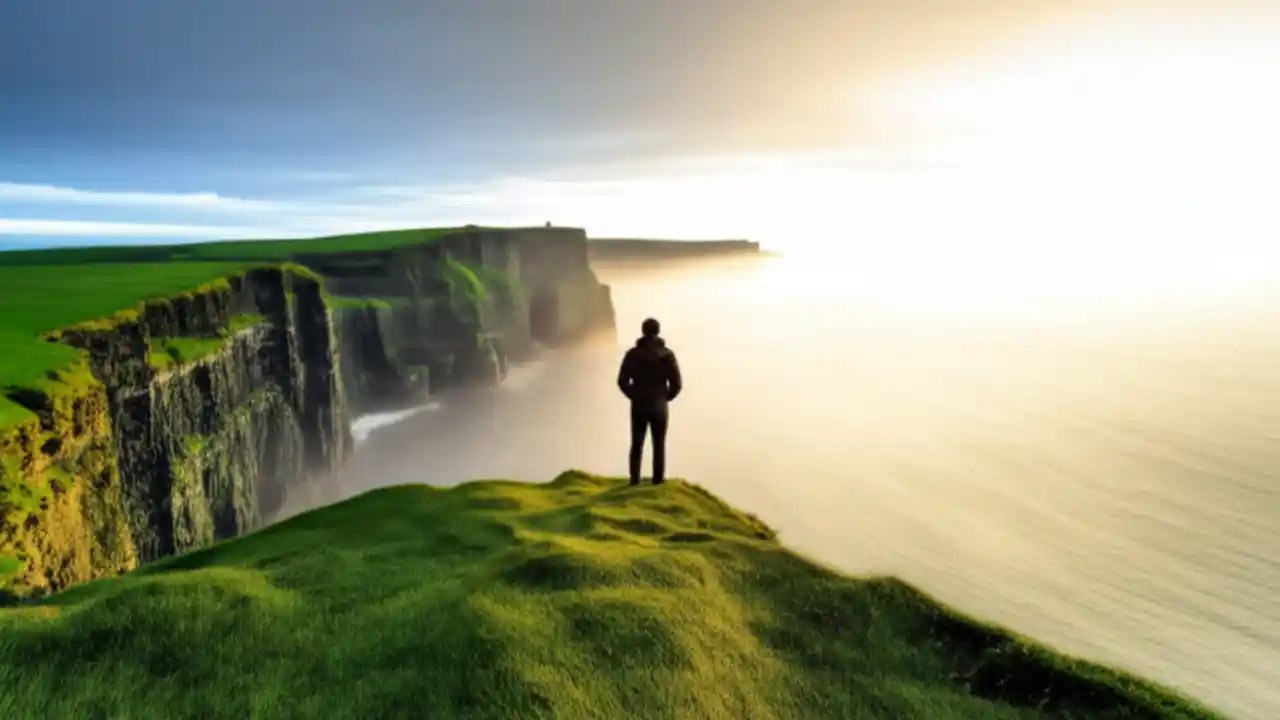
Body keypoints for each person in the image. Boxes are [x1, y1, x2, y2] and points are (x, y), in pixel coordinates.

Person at [617, 318, 682, 485]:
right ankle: (658, 479)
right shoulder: (667, 355)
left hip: (639, 404)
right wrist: (665, 397)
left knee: (637, 443)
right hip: (659, 405)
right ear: (658, 331)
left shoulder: (633, 354)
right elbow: (676, 384)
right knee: (659, 444)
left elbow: (622, 381)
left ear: (643, 331)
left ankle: (634, 480)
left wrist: (634, 395)